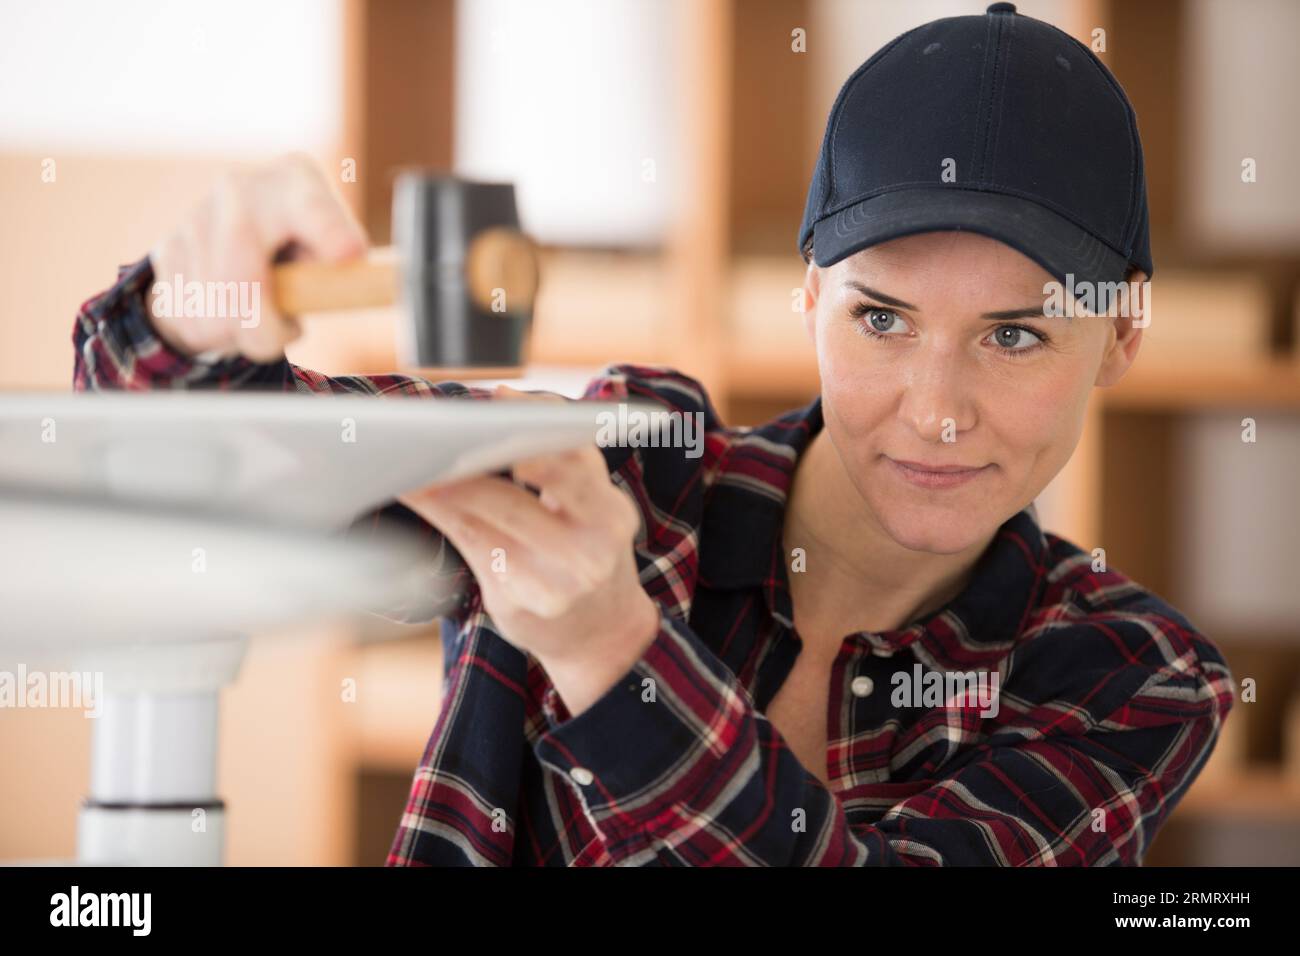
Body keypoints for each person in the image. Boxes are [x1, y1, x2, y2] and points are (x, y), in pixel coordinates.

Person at [72, 4, 1233, 865]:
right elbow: (194, 465)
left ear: (1121, 332)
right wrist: (187, 321)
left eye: (1014, 337)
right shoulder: (623, 473)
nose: (934, 406)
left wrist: (608, 650)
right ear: (810, 296)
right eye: (881, 317)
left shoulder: (1134, 679)